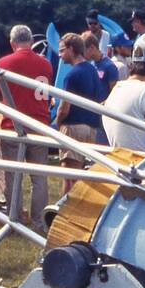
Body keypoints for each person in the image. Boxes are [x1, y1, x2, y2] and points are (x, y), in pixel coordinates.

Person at [0, 25, 54, 226]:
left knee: (13, 176)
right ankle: (38, 220)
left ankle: (15, 219)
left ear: (12, 43)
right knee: (39, 178)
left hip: (13, 124)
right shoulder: (45, 64)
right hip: (39, 123)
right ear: (30, 40)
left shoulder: (3, 63)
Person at [53, 33, 104, 191]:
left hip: (73, 128)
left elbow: (64, 107)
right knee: (83, 179)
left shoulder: (72, 75)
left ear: (71, 49)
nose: (60, 56)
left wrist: (57, 123)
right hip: (92, 129)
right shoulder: (93, 70)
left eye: (62, 51)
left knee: (69, 180)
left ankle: (64, 214)